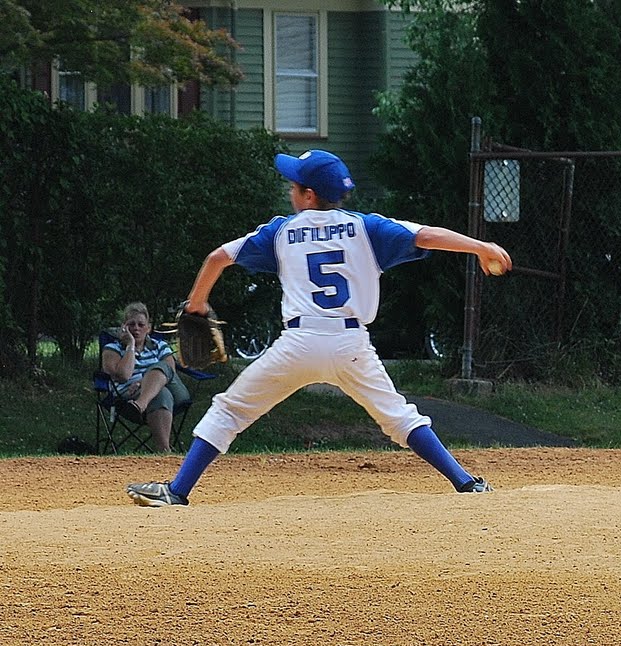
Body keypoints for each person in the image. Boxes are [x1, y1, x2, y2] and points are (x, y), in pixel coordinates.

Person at [126, 150, 511, 506]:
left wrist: (196, 305)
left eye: (294, 186)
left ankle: (177, 491)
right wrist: (481, 247)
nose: (290, 191)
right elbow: (425, 235)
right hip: (351, 344)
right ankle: (466, 483)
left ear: (308, 195)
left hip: (298, 343)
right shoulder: (367, 228)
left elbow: (217, 257)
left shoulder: (280, 232)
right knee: (399, 417)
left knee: (230, 411)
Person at [100, 302, 191, 453]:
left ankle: (140, 404)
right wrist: (130, 346)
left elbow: (170, 371)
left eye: (141, 324)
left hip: (172, 392)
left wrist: (143, 383)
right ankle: (165, 452)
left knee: (163, 368)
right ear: (124, 327)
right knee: (161, 394)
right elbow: (123, 375)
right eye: (131, 324)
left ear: (148, 328)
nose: (136, 328)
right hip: (129, 395)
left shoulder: (159, 345)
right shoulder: (112, 349)